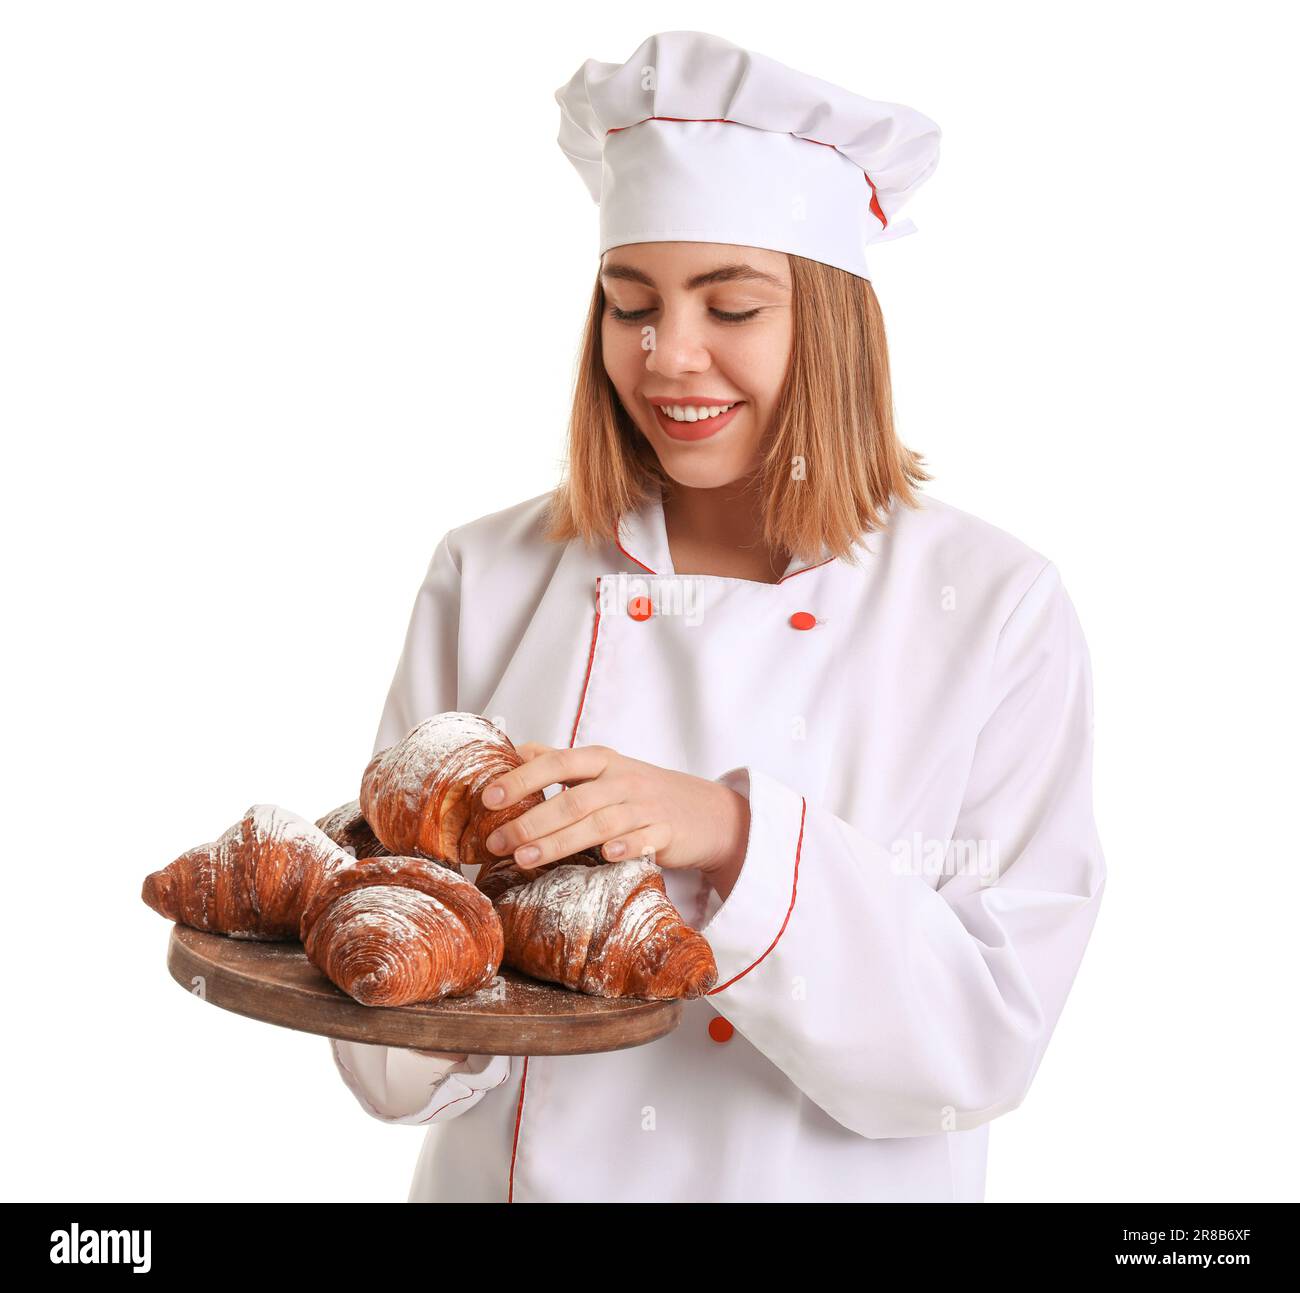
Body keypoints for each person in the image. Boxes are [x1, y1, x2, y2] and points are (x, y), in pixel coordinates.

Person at [328, 30, 1106, 1203]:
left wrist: (735, 839)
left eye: (731, 306)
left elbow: (984, 1044)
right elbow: (391, 1069)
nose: (667, 358)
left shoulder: (993, 610)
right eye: (628, 304)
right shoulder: (486, 574)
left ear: (834, 327)